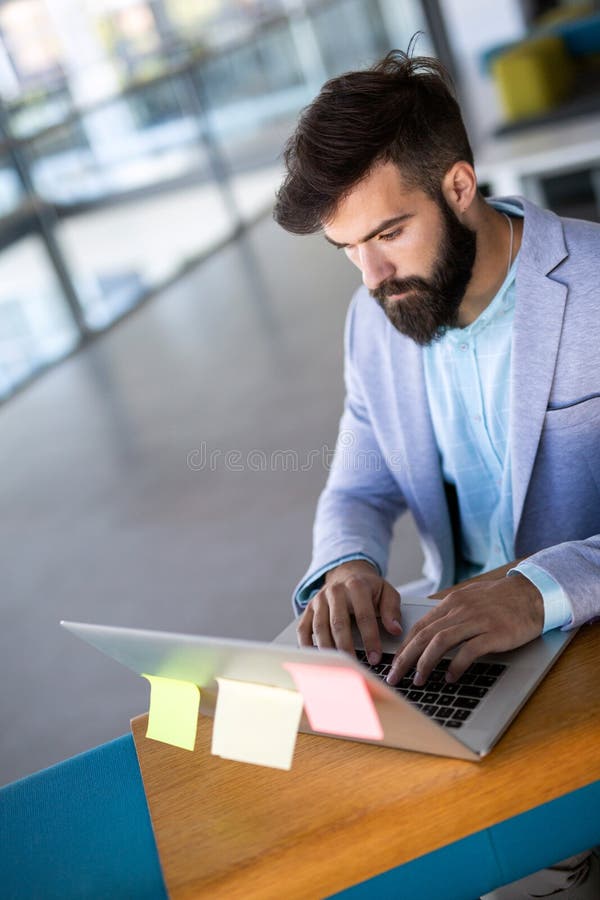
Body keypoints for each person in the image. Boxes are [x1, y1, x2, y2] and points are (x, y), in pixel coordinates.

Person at [273, 45, 600, 900]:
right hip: (445, 651)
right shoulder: (375, 319)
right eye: (347, 249)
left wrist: (537, 588)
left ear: (459, 187)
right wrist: (345, 562)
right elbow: (358, 485)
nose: (373, 278)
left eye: (387, 234)